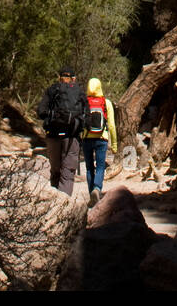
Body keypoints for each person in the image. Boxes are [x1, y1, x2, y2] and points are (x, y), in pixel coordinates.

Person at [37, 65, 88, 196]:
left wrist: (52, 116)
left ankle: (54, 200)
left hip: (53, 135)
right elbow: (87, 117)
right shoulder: (79, 92)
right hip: (72, 137)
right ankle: (64, 203)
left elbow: (41, 112)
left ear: (59, 77)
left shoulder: (52, 90)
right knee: (68, 173)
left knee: (55, 171)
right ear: (74, 78)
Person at [81, 76, 118, 206]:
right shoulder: (106, 102)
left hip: (86, 138)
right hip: (102, 139)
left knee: (89, 168)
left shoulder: (83, 102)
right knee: (101, 166)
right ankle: (97, 189)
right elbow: (112, 125)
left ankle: (91, 193)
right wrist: (114, 144)